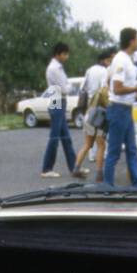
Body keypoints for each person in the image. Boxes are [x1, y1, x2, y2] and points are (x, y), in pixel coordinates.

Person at [104, 27, 137, 187]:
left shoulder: (127, 59)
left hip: (125, 108)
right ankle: (108, 186)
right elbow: (117, 88)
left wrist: (134, 94)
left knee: (131, 149)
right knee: (114, 152)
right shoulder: (121, 60)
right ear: (131, 41)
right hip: (118, 109)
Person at [73, 49, 114, 179]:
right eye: (109, 60)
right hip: (99, 114)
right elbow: (104, 91)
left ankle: (76, 168)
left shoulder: (89, 70)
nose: (110, 63)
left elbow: (83, 89)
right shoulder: (105, 71)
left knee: (87, 144)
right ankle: (99, 174)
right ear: (104, 60)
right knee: (101, 144)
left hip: (89, 112)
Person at [40, 42, 78, 178]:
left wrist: (67, 86)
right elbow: (64, 88)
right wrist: (69, 86)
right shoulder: (55, 69)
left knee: (66, 138)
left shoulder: (57, 67)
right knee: (55, 137)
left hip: (57, 98)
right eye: (65, 54)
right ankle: (47, 168)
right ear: (58, 54)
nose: (66, 57)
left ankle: (74, 167)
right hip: (57, 98)